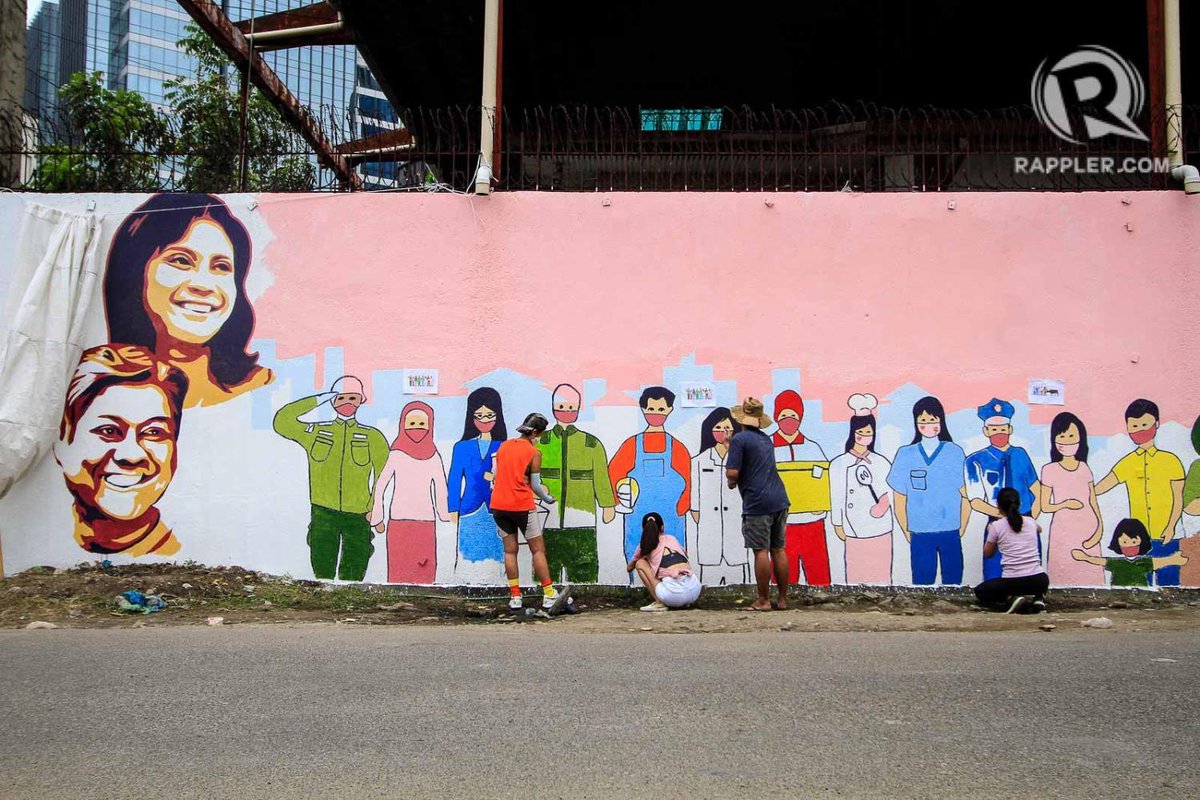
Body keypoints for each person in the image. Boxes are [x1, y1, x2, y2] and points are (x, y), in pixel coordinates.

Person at [104, 193, 272, 408]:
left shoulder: (262, 386)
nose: (203, 285)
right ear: (137, 271)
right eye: (181, 261)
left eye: (221, 266)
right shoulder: (100, 385)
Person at [54, 344, 188, 557]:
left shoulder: (175, 554)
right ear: (63, 439)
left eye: (153, 432)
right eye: (109, 430)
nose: (131, 456)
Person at [273, 375, 389, 581]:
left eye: (352, 398)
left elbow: (383, 475)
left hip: (359, 513)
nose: (347, 403)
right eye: (341, 398)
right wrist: (320, 398)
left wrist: (375, 509)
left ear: (361, 400)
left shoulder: (372, 436)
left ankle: (350, 605)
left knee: (355, 570)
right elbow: (283, 421)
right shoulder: (317, 431)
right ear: (333, 401)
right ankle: (322, 608)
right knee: (322, 569)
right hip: (323, 510)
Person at [1095, 399, 1186, 586]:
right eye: (1134, 426)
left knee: (1168, 581)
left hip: (1166, 533)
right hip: (1139, 537)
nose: (1139, 430)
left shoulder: (1171, 461)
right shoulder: (1128, 462)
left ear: (1156, 424)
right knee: (1140, 581)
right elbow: (1103, 486)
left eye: (1144, 424)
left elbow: (1179, 499)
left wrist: (1171, 526)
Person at [535, 383, 617, 583]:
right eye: (561, 407)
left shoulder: (591, 443)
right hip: (546, 519)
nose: (566, 412)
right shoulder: (541, 442)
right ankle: (546, 594)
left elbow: (601, 477)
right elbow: (528, 474)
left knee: (583, 567)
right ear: (554, 409)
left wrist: (607, 504)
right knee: (547, 565)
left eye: (571, 407)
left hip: (583, 519)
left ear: (579, 409)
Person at [887, 396, 969, 586]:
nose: (928, 424)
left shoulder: (954, 452)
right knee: (922, 582)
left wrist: (962, 525)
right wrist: (906, 528)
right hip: (919, 530)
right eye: (922, 421)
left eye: (933, 420)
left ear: (941, 421)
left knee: (953, 580)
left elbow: (966, 494)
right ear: (916, 423)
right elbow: (899, 498)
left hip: (950, 528)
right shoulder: (905, 454)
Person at [608, 386, 692, 564]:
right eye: (651, 409)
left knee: (672, 555)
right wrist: (616, 503)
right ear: (643, 409)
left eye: (661, 409)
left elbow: (688, 480)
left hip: (671, 517)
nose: (656, 413)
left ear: (669, 409)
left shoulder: (677, 448)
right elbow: (614, 472)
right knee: (635, 552)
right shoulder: (631, 445)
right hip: (636, 514)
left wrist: (683, 506)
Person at [368, 401, 450, 584]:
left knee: (425, 565)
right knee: (399, 563)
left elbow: (441, 487)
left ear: (430, 425)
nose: (417, 428)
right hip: (398, 519)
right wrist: (377, 516)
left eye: (421, 424)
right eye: (411, 423)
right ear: (403, 424)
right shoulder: (396, 454)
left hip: (426, 520)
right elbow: (380, 485)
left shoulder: (434, 456)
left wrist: (445, 514)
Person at [490, 413, 565, 610]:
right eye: (540, 434)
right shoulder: (534, 453)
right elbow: (536, 485)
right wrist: (548, 498)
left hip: (499, 505)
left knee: (509, 551)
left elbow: (496, 474)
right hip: (522, 505)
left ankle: (515, 597)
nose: (539, 438)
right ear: (534, 432)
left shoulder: (504, 446)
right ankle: (549, 593)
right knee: (538, 549)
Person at [964, 398, 1041, 581]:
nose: (999, 433)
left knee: (1029, 569)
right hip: (996, 521)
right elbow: (975, 500)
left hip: (1024, 518)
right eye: (994, 429)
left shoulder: (1020, 454)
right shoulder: (975, 460)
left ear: (1010, 429)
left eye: (1003, 428)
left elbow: (1037, 489)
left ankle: (1028, 595)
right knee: (994, 571)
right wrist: (1001, 518)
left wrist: (1030, 519)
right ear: (986, 431)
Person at [726, 397, 792, 611]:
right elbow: (754, 460)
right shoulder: (765, 439)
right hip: (779, 498)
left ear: (741, 419)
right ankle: (782, 600)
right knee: (778, 549)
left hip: (757, 502)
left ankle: (763, 600)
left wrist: (731, 480)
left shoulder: (739, 440)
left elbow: (733, 472)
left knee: (760, 550)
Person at [828, 393, 894, 584]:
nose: (864, 436)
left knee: (881, 571)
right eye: (861, 432)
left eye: (869, 433)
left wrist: (882, 505)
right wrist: (837, 523)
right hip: (852, 527)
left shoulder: (881, 462)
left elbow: (889, 491)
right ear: (852, 432)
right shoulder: (838, 464)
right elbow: (836, 496)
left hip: (879, 527)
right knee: (855, 571)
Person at [770, 389, 832, 586]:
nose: (789, 420)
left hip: (813, 520)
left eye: (793, 415)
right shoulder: (766, 447)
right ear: (776, 417)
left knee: (818, 570)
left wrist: (820, 505)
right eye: (784, 415)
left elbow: (822, 478)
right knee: (783, 573)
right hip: (781, 522)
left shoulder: (813, 448)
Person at [1039, 412, 1104, 586]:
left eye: (1072, 436)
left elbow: (1093, 501)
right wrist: (1065, 504)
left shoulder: (1084, 468)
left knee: (1091, 572)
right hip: (1063, 529)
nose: (1067, 441)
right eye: (1062, 436)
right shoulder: (1049, 469)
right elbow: (1045, 506)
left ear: (1080, 439)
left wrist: (1099, 530)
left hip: (1087, 527)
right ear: (1055, 440)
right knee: (1061, 571)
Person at [447, 387, 508, 566]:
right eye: (479, 415)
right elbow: (454, 479)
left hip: (496, 508)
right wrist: (453, 508)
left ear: (498, 416)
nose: (484, 420)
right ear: (471, 417)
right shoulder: (461, 447)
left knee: (497, 555)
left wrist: (496, 479)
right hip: (468, 508)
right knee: (467, 554)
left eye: (489, 415)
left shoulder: (504, 446)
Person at [690, 407, 748, 584]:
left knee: (738, 572)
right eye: (718, 428)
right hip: (709, 525)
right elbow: (695, 496)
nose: (723, 432)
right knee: (708, 573)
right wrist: (697, 511)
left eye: (728, 428)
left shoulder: (743, 458)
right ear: (709, 430)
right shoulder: (700, 460)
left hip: (736, 521)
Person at [973, 488, 1049, 613]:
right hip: (1040, 580)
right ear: (1019, 504)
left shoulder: (996, 527)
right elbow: (1039, 530)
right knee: (1035, 580)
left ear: (998, 506)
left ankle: (1012, 600)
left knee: (981, 591)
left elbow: (988, 553)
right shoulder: (1030, 522)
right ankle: (1038, 598)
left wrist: (991, 533)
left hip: (1013, 582)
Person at [1072, 518, 1189, 587]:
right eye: (1124, 541)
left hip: (1142, 596)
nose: (1129, 545)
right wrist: (1085, 557)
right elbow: (1101, 561)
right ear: (1117, 542)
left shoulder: (1144, 562)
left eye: (1134, 541)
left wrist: (1174, 560)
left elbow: (1159, 562)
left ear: (1141, 541)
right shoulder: (1116, 563)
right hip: (1118, 595)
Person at [627, 512, 702, 611]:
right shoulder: (672, 539)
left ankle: (659, 603)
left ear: (643, 529)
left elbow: (629, 568)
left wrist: (646, 556)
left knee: (640, 563)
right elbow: (685, 555)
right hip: (694, 590)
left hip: (673, 595)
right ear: (662, 527)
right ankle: (683, 602)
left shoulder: (644, 545)